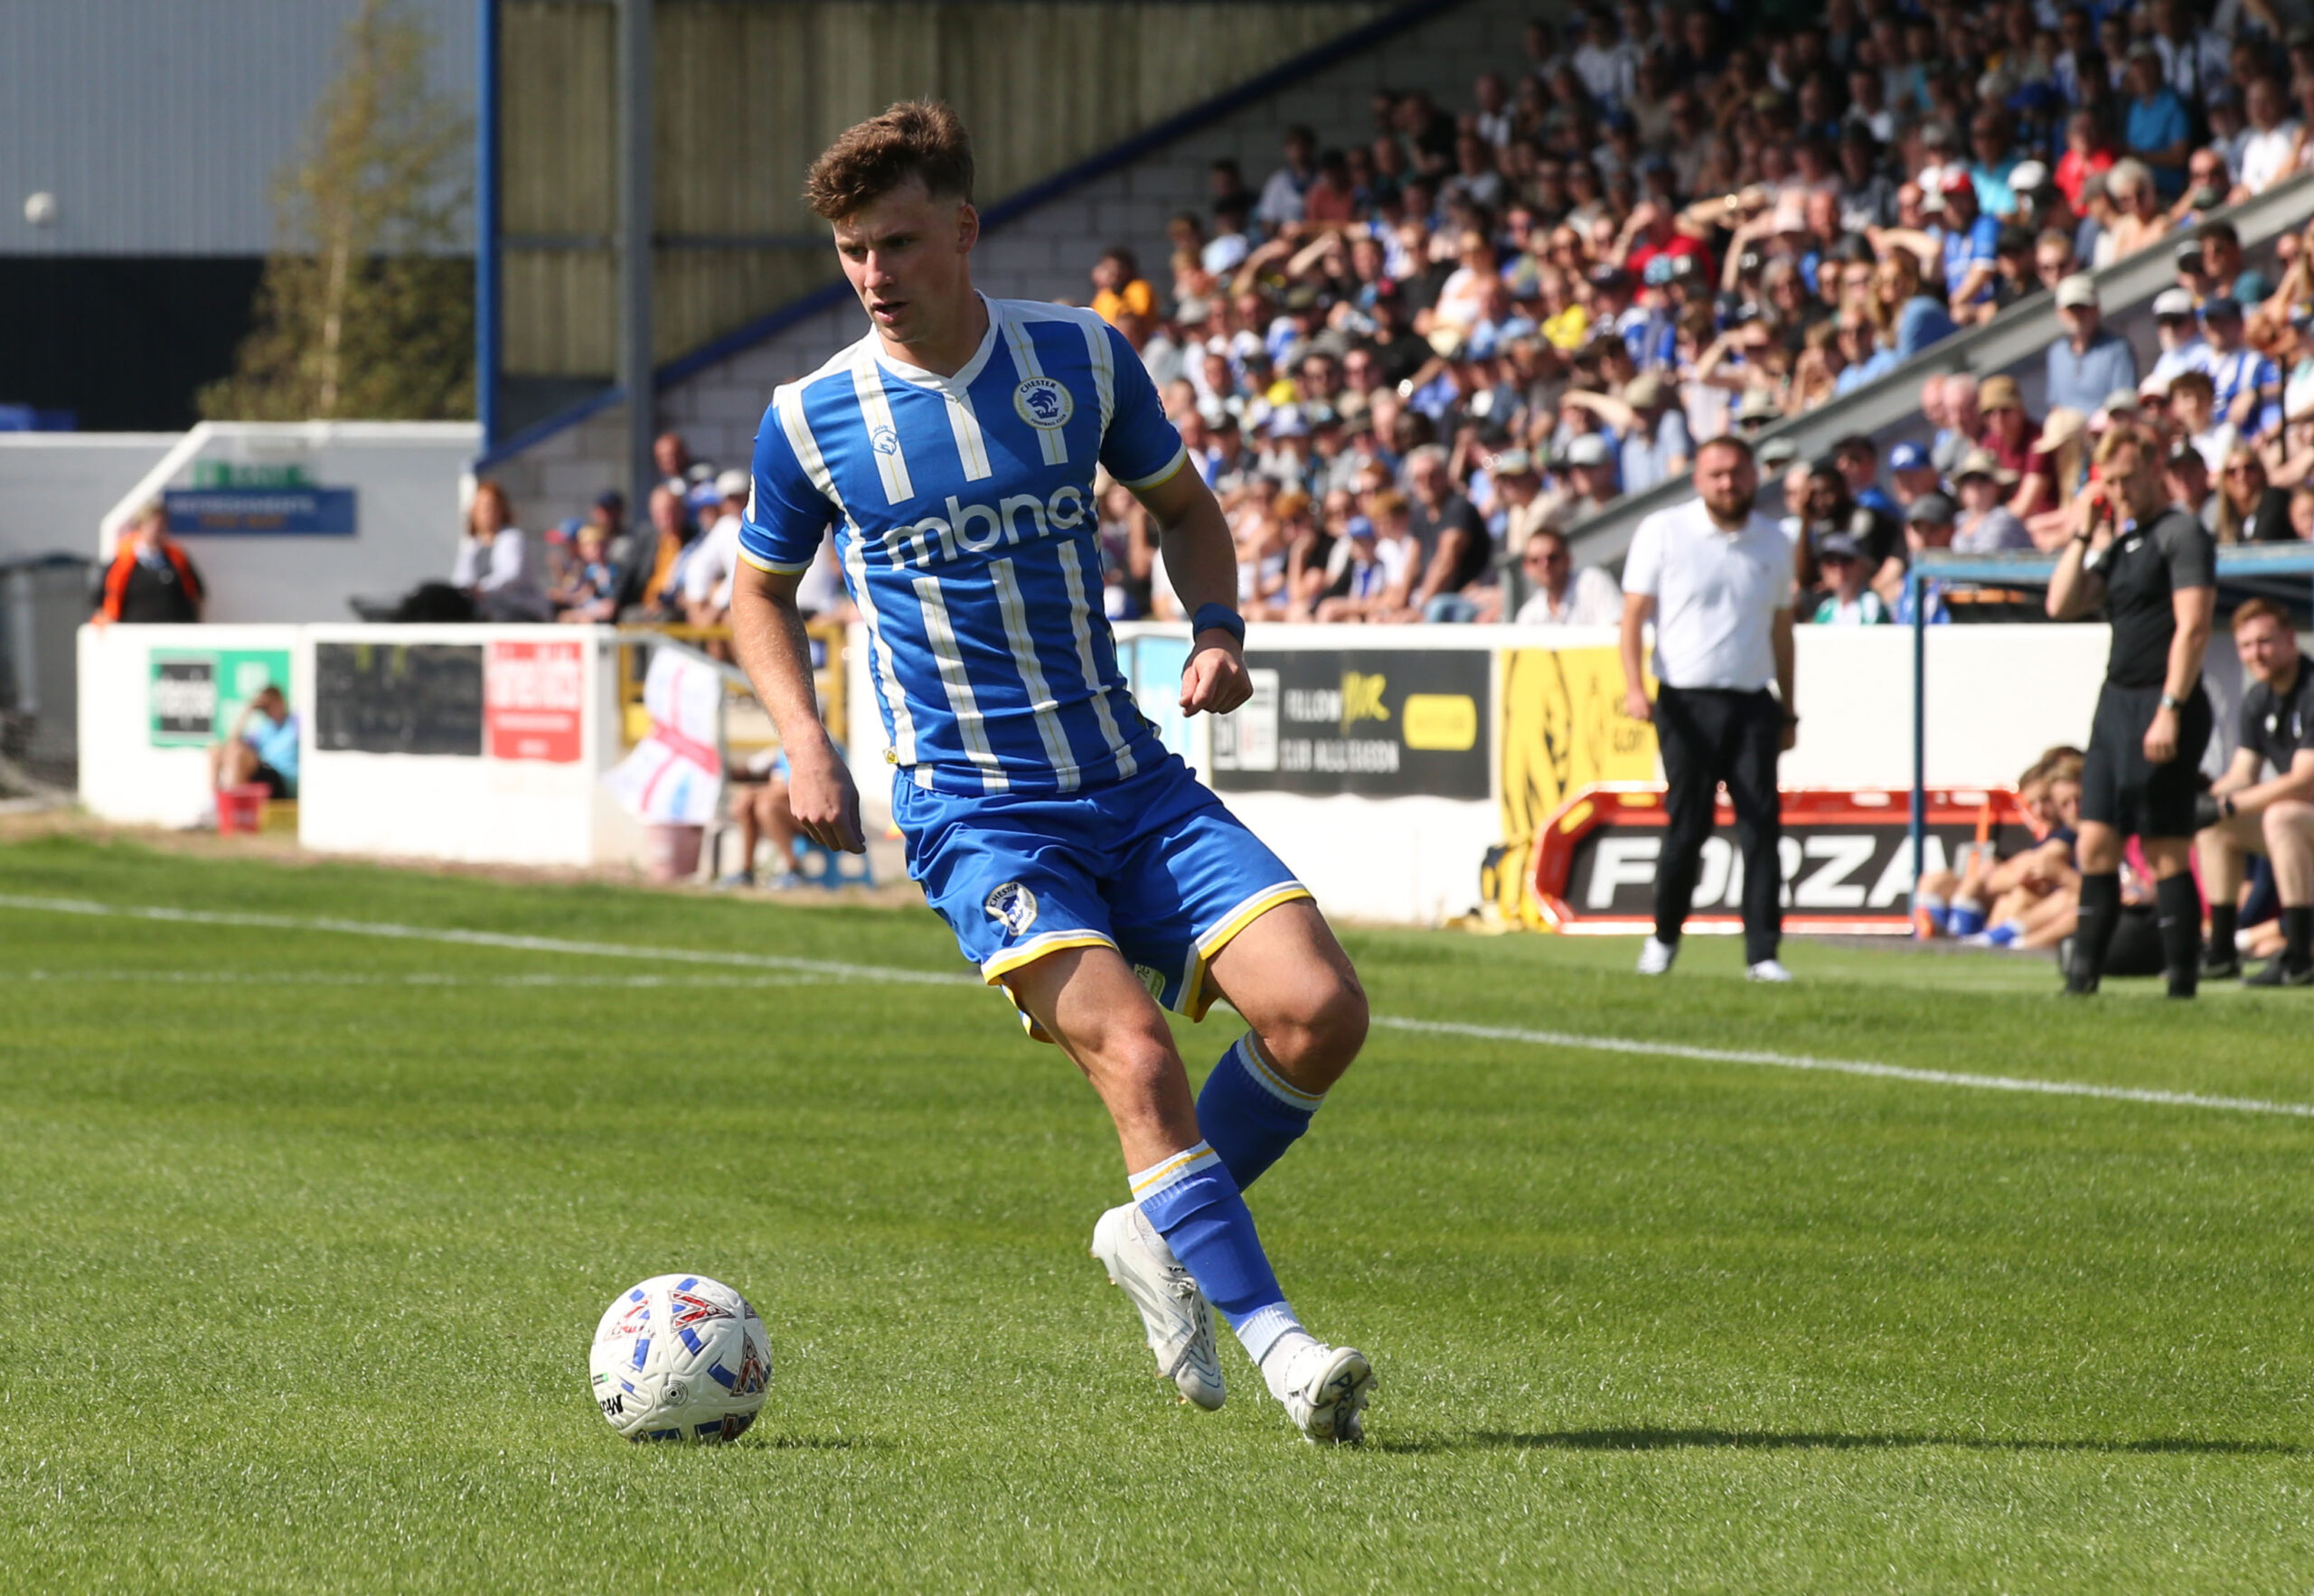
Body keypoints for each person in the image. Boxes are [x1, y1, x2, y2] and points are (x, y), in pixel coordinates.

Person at [724, 101, 1374, 1443]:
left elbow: (1187, 511)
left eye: (898, 242)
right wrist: (803, 736)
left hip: (1128, 775)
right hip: (979, 812)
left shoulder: (1080, 359)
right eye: (852, 251)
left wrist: (1217, 631)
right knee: (1139, 1055)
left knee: (1320, 1010)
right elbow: (756, 595)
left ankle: (1156, 1229)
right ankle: (1284, 1346)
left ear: (963, 228)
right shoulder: (811, 417)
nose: (874, 276)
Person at [2045, 424, 2216, 997]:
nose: (2118, 490)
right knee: (2095, 841)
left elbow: (2192, 627)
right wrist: (2081, 534)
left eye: (2126, 478)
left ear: (2152, 469)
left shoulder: (2181, 534)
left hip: (2161, 700)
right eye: (2108, 481)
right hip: (2114, 703)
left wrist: (2170, 706)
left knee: (2165, 847)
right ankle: (2080, 981)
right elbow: (2061, 603)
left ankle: (2182, 983)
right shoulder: (2120, 543)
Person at [1619, 437, 1798, 982]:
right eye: (1717, 474)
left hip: (1751, 701)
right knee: (1688, 826)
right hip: (1685, 701)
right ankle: (1664, 937)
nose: (1728, 484)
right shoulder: (1665, 530)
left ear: (1753, 476)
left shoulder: (1774, 539)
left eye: (1737, 473)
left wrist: (1788, 706)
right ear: (1698, 479)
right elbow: (1632, 619)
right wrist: (1634, 687)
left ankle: (1763, 954)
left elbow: (1782, 630)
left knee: (1761, 828)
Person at [2194, 599, 2314, 986]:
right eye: (2246, 645)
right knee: (2215, 825)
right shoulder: (2258, 699)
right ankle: (2222, 950)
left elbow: (2304, 780)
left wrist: (2231, 804)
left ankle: (2300, 954)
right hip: (2300, 822)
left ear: (2291, 639)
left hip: (2301, 816)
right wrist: (2205, 801)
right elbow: (2242, 773)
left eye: (2265, 642)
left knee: (2282, 816)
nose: (2255, 654)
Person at [454, 481, 550, 622]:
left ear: (501, 510)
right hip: (484, 612)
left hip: (519, 612)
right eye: (481, 508)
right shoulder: (472, 545)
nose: (486, 513)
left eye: (491, 507)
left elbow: (510, 575)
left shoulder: (513, 538)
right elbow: (461, 578)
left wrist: (481, 589)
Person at [92, 501, 203, 624]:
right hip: (135, 632)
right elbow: (101, 598)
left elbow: (196, 595)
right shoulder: (122, 562)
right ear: (141, 526)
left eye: (162, 525)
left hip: (173, 632)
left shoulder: (177, 559)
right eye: (153, 525)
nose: (158, 530)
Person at [2045, 277, 2140, 415]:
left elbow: (2124, 405)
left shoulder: (2117, 349)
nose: (2077, 315)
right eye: (2071, 309)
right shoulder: (2056, 353)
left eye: (2082, 308)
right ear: (2059, 312)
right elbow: (2055, 406)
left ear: (2097, 309)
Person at [205, 684, 298, 802]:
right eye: (264, 708)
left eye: (270, 705)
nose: (268, 711)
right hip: (265, 776)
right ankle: (215, 803)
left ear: (280, 702)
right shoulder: (264, 729)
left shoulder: (295, 722)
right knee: (217, 750)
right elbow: (232, 742)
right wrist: (248, 710)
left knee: (239, 754)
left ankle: (234, 805)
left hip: (284, 779)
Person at [1513, 529, 1623, 624]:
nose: (1545, 565)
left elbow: (1617, 629)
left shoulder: (1593, 584)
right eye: (1535, 560)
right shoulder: (1528, 614)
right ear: (1526, 567)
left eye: (1552, 558)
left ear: (1567, 560)